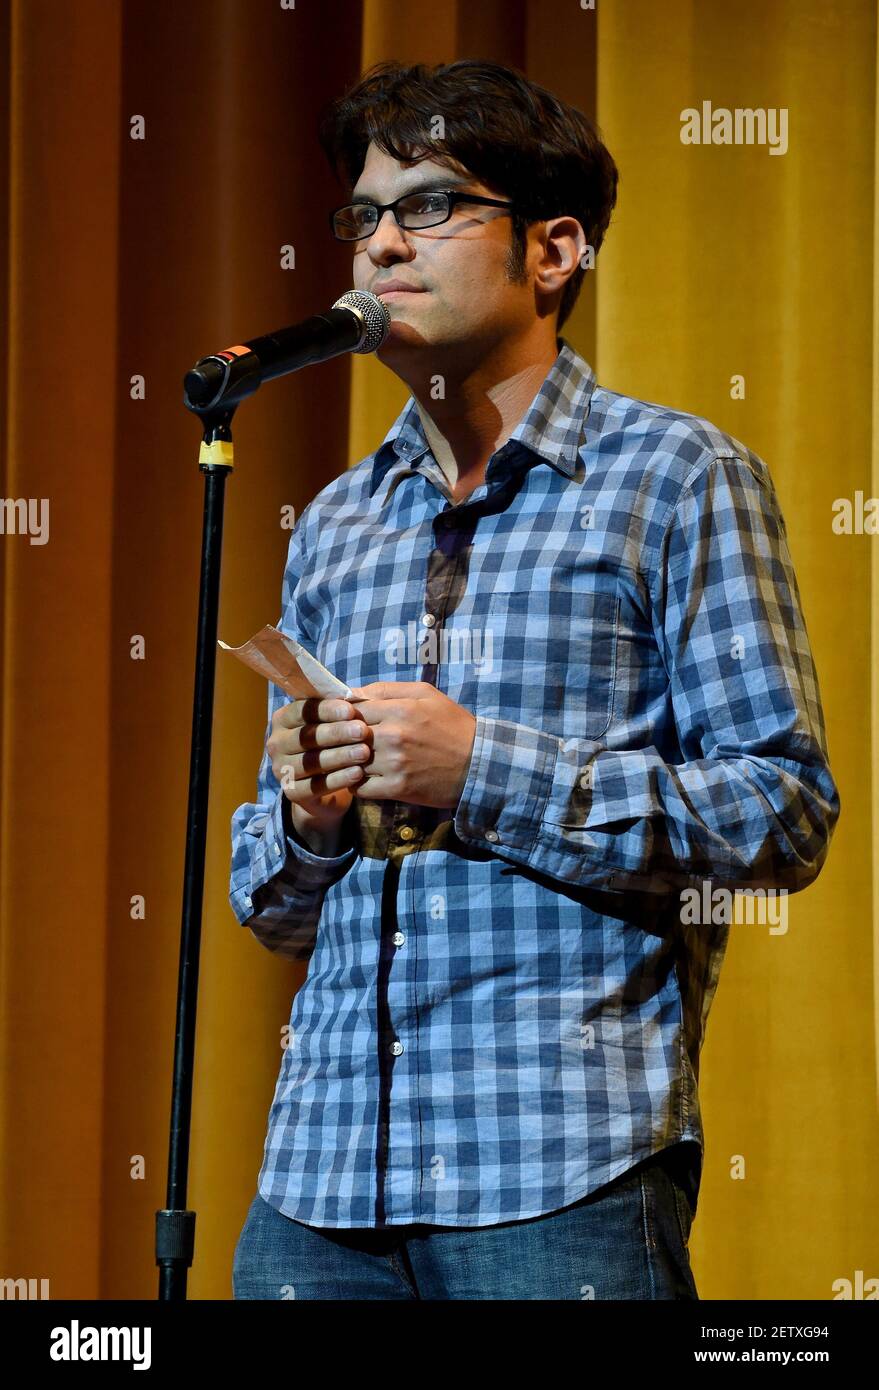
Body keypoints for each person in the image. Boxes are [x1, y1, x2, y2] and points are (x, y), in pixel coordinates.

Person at [229, 59, 839, 1300]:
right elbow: (271, 901)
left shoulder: (676, 476)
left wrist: (482, 767)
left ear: (555, 250)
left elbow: (782, 810)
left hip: (559, 1170)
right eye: (364, 216)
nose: (382, 245)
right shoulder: (339, 521)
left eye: (433, 204)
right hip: (323, 1175)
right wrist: (308, 816)